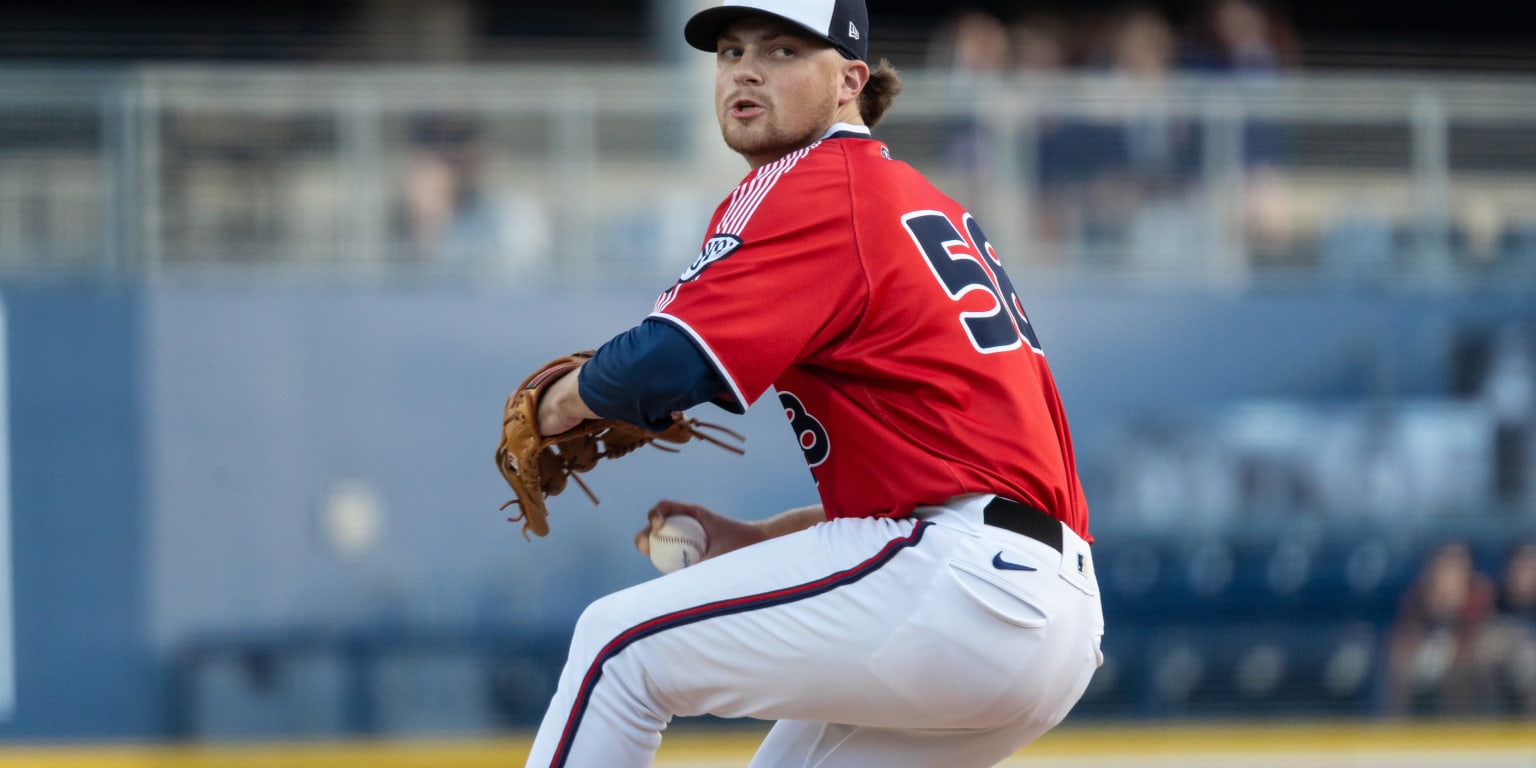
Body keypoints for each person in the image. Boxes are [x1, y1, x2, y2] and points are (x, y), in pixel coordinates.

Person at [521, 1, 1101, 765]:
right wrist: (763, 541)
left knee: (616, 649)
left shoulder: (817, 180)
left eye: (783, 51)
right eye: (731, 52)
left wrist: (557, 403)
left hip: (960, 588)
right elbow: (953, 472)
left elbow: (663, 364)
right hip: (1045, 615)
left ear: (850, 81)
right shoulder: (919, 201)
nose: (746, 71)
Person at [1383, 540, 1495, 716]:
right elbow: (1405, 633)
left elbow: (1480, 632)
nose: (1449, 573)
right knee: (1397, 659)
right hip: (1427, 652)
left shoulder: (1480, 592)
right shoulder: (1418, 594)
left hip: (1467, 658)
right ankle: (1396, 724)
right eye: (1445, 564)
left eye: (1456, 565)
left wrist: (1455, 612)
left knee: (1468, 664)